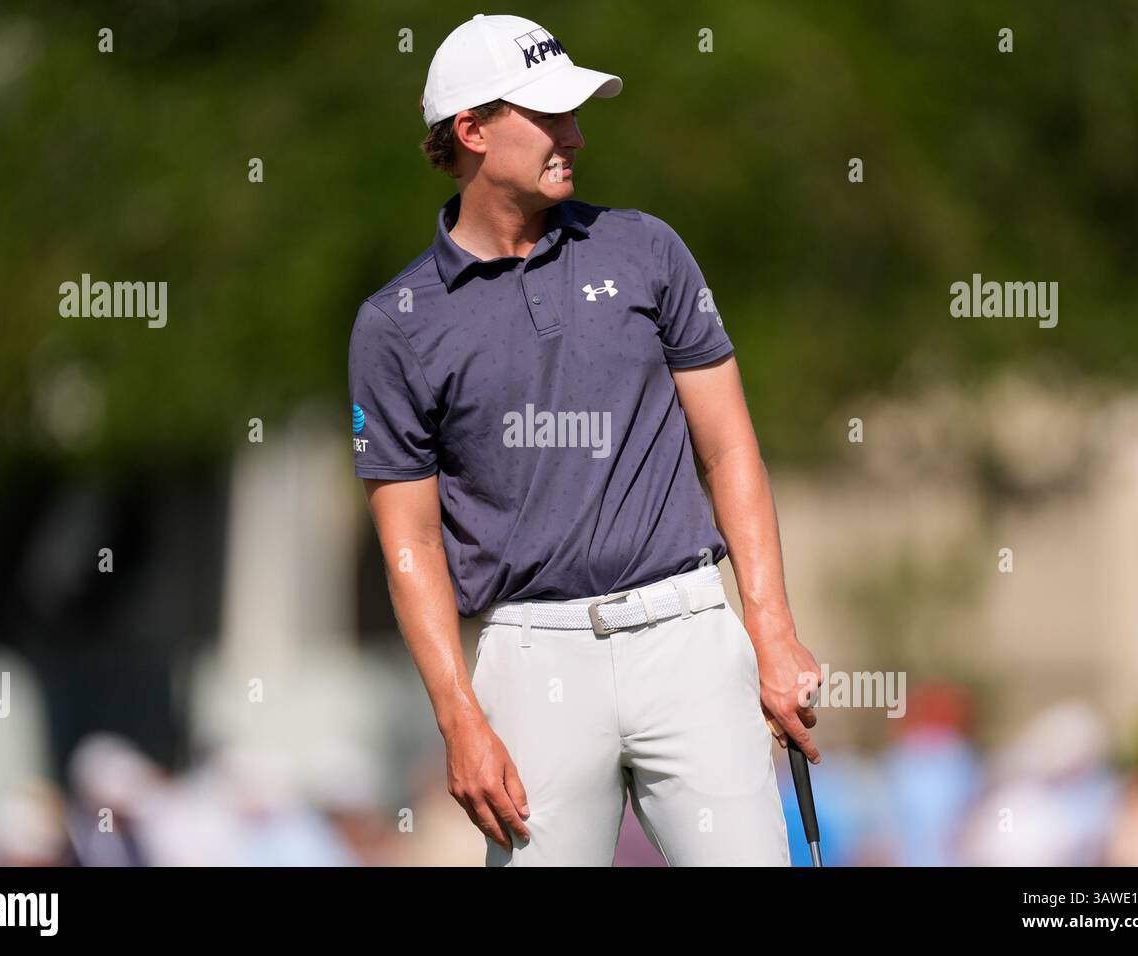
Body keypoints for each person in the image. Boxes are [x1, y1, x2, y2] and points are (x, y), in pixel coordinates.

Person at [348, 13, 820, 866]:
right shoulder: (395, 324)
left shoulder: (647, 250)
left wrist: (771, 627)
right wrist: (459, 716)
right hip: (530, 660)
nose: (576, 134)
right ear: (473, 130)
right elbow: (409, 541)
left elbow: (730, 449)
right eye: (549, 116)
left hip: (687, 633)